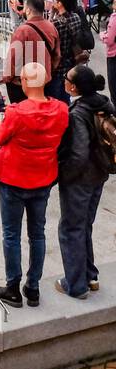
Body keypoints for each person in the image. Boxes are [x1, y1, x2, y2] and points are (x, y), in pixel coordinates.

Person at [0, 61, 69, 307]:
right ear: (45, 81)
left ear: (24, 82)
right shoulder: (61, 109)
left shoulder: (17, 112)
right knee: (37, 233)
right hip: (43, 178)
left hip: (14, 178)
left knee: (11, 234)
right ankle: (33, 287)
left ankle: (12, 286)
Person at [56, 65, 115, 299]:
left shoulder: (77, 114)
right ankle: (90, 276)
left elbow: (79, 153)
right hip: (99, 173)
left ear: (74, 87)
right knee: (85, 225)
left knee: (71, 228)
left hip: (80, 179)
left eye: (67, 78)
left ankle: (75, 285)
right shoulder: (103, 104)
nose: (64, 79)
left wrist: (65, 174)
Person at [1, 0, 59, 104]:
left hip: (23, 83)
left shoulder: (22, 31)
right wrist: (48, 72)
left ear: (28, 10)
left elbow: (13, 57)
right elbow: (57, 55)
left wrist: (8, 78)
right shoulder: (51, 27)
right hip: (44, 80)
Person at [50, 0, 88, 102]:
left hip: (57, 66)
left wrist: (52, 13)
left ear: (60, 4)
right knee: (65, 96)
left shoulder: (55, 23)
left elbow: (49, 33)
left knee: (55, 99)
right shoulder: (76, 17)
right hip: (70, 62)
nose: (54, 1)